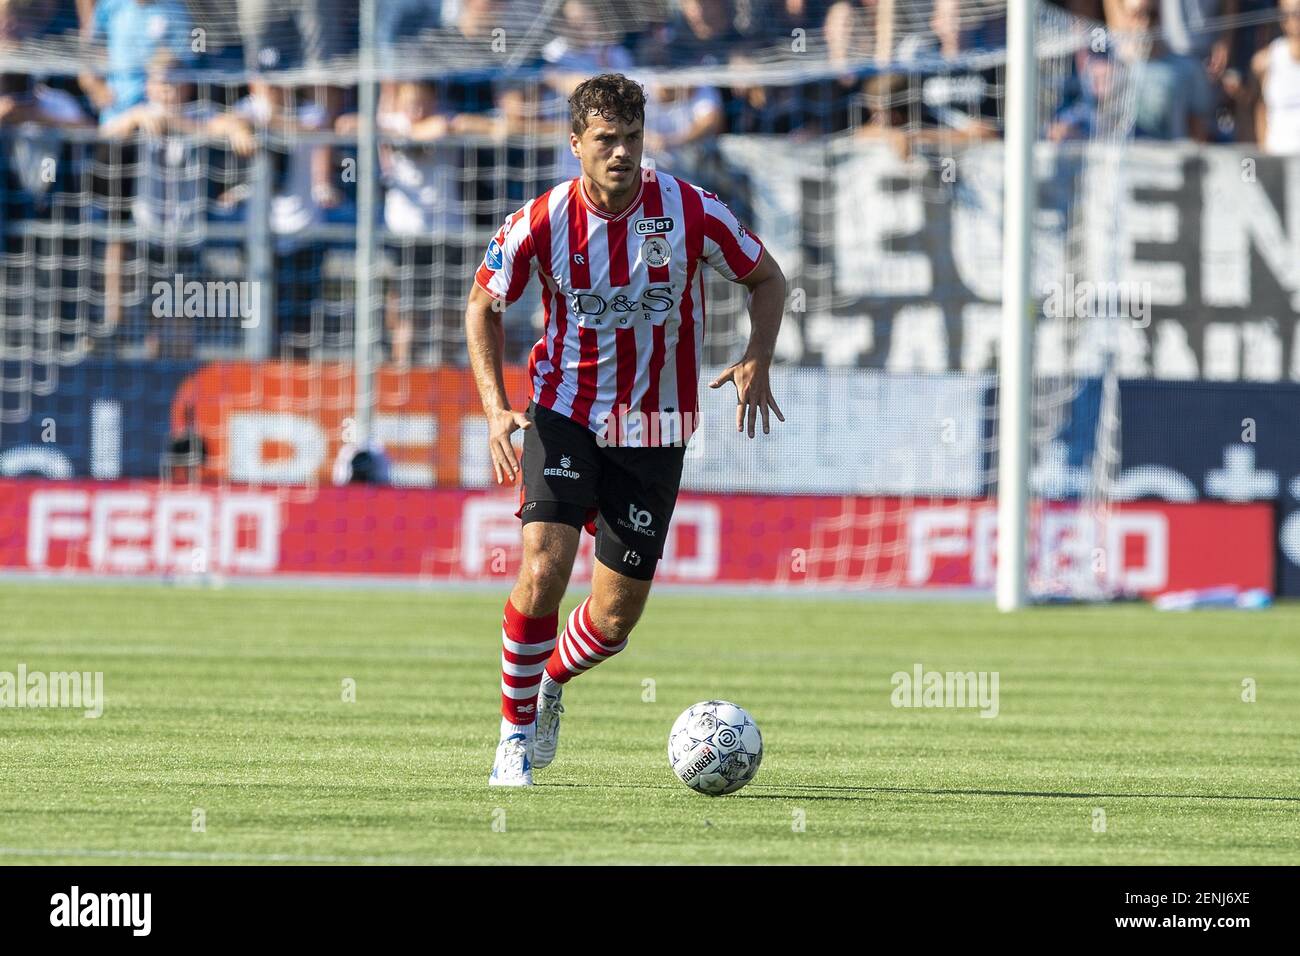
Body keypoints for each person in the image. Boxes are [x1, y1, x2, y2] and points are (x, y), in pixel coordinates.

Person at [464, 73, 787, 787]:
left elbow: (768, 278)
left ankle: (546, 683)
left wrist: (756, 357)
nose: (621, 153)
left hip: (654, 423)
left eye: (632, 139)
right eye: (606, 139)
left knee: (613, 620)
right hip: (564, 411)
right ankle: (513, 738)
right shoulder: (541, 220)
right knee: (543, 566)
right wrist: (494, 406)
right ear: (575, 143)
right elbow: (482, 306)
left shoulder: (688, 210)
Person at [1252, 0, 1300, 154]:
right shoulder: (1266, 60)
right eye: (1288, 13)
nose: (1294, 18)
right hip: (1277, 158)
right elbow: (1261, 109)